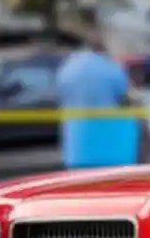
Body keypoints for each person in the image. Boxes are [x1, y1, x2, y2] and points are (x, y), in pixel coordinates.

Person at [56, 37, 139, 169]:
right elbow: (123, 95)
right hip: (108, 136)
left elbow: (62, 93)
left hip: (77, 137)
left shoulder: (69, 66)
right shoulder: (110, 67)